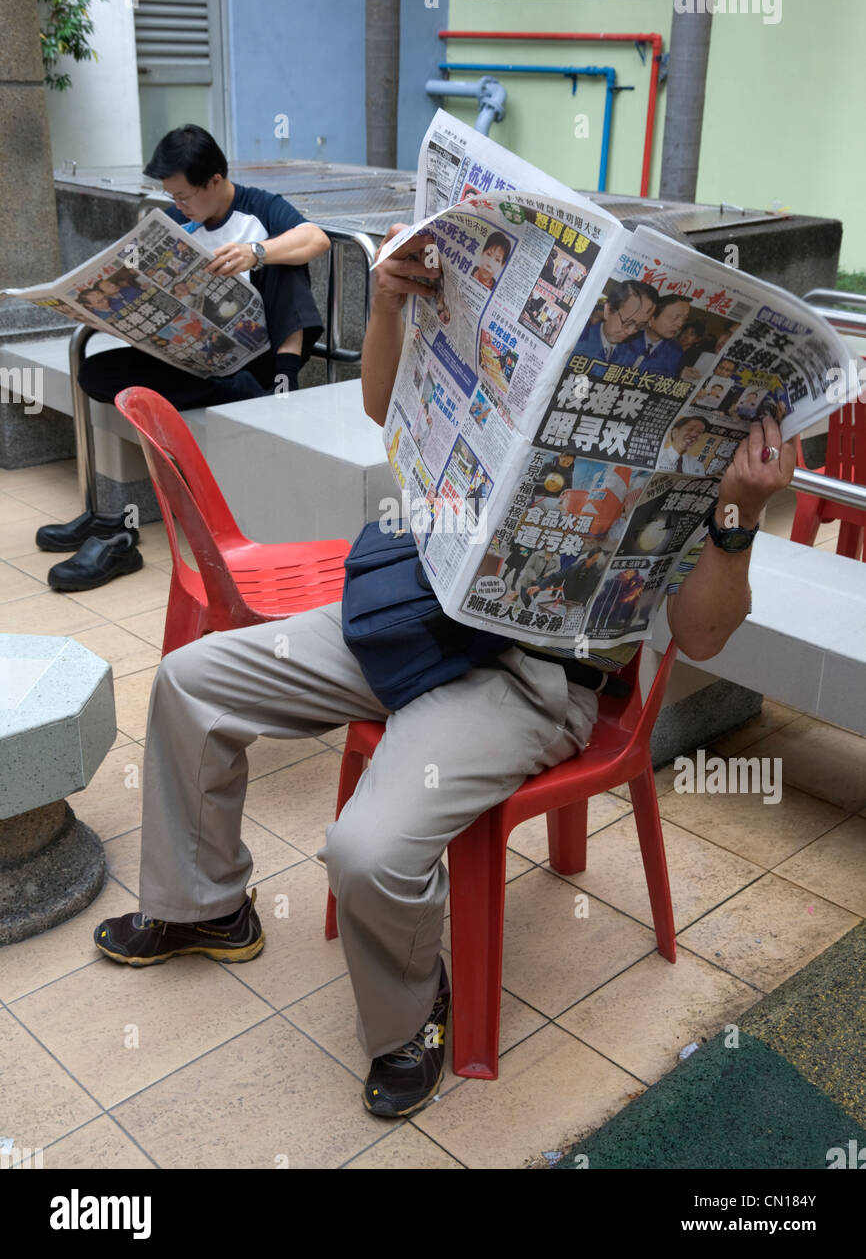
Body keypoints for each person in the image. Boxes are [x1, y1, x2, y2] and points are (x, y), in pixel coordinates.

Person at [90, 223, 795, 1121]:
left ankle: (410, 1017)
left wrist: (737, 516)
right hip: (415, 617)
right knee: (195, 679)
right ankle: (204, 904)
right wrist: (388, 304)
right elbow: (386, 407)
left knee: (368, 849)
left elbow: (700, 637)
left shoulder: (729, 458)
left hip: (525, 679)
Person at [35, 125, 331, 590]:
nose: (178, 205)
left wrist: (257, 254)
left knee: (288, 260)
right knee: (96, 371)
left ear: (215, 180)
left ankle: (114, 524)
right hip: (195, 365)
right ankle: (109, 516)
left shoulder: (259, 209)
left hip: (253, 361)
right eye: (170, 195)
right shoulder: (180, 226)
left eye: (184, 195)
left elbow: (317, 240)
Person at [574, 280, 658, 364]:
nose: (630, 332)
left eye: (639, 326)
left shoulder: (637, 353)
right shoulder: (578, 339)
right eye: (628, 323)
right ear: (608, 310)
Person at [620, 294, 692, 377]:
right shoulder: (625, 338)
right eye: (675, 317)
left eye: (684, 319)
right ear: (652, 317)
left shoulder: (676, 352)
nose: (680, 324)